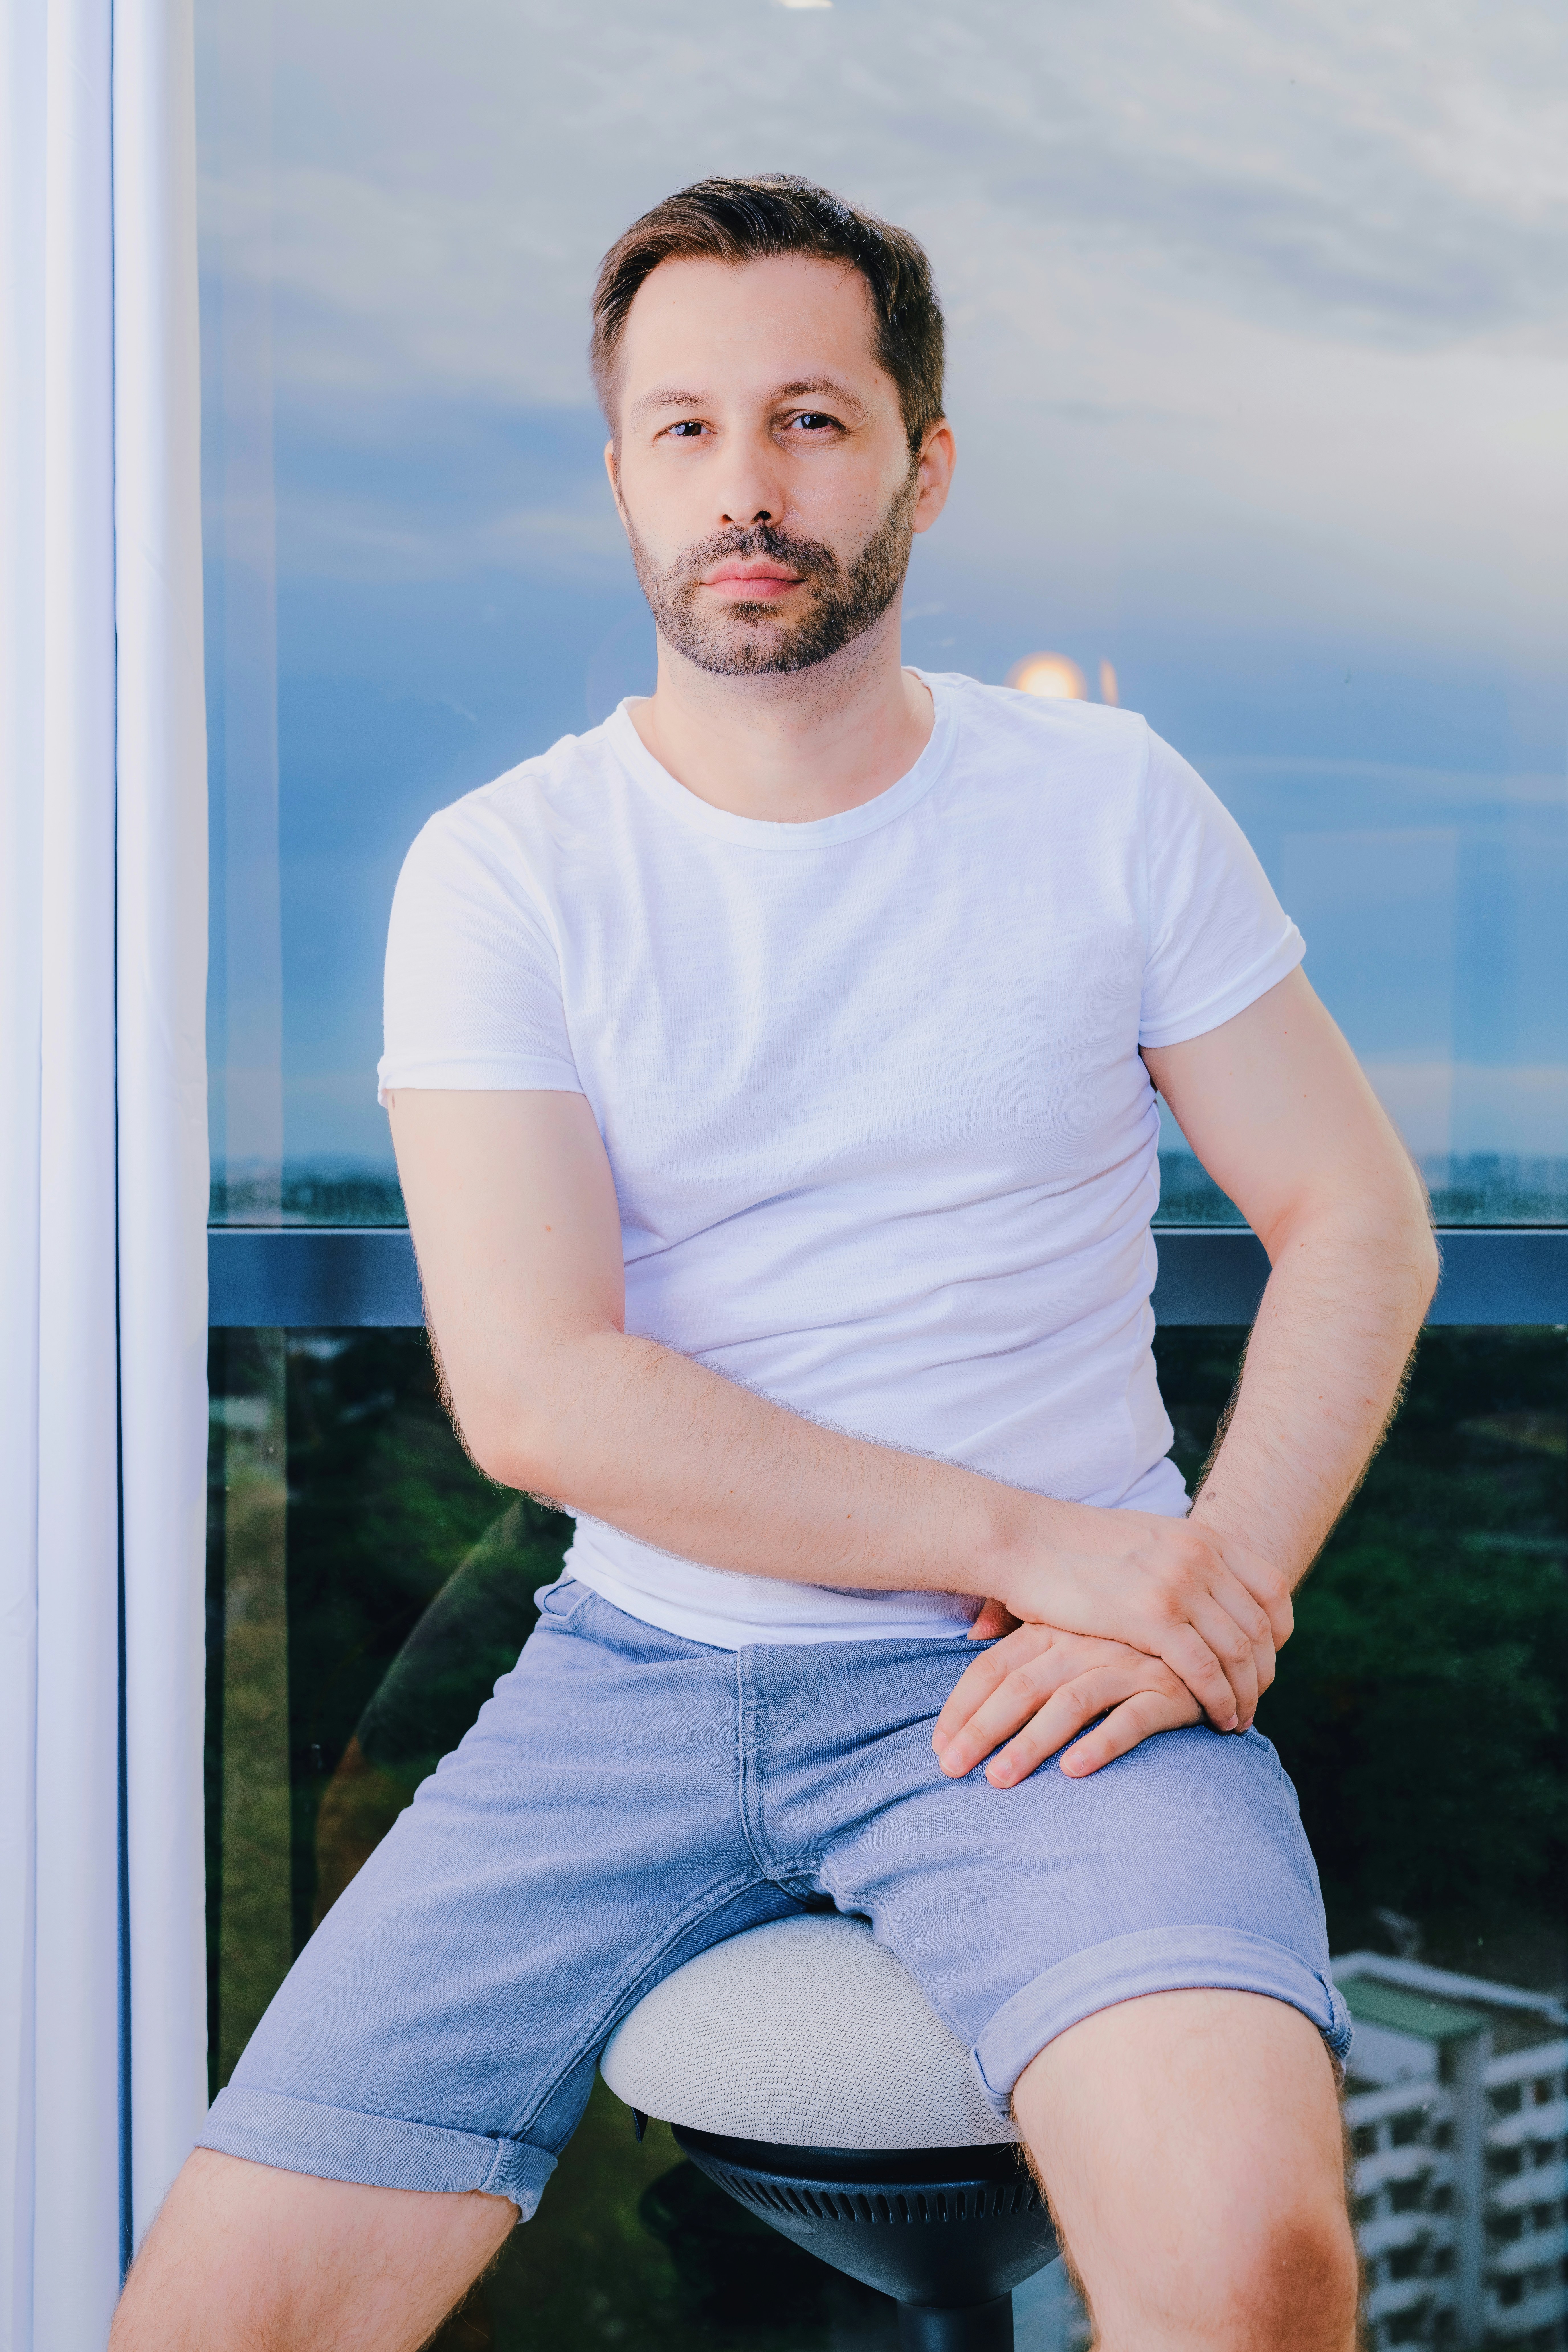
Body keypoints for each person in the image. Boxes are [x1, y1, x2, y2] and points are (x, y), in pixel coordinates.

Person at [114, 175, 1436, 2352]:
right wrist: (1055, 1540)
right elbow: (539, 1394)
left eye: (813, 421)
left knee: (1254, 2280)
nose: (749, 486)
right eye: (687, 428)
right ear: (620, 473)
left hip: (1051, 1686)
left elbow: (1356, 1216)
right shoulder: (505, 873)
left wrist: (1205, 1594)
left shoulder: (1107, 802)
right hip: (629, 1677)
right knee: (209, 2324)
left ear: (924, 459)